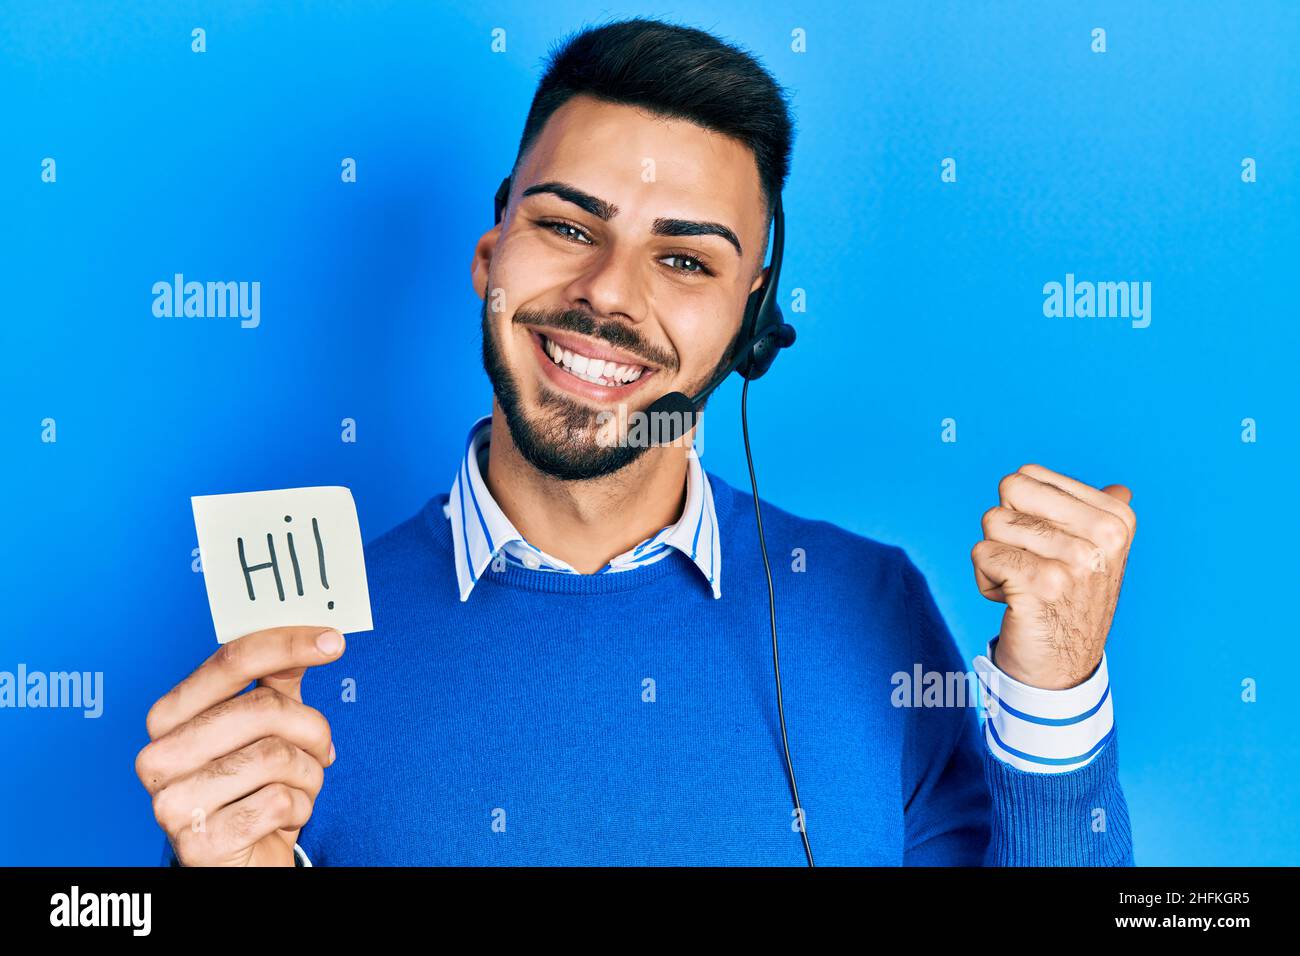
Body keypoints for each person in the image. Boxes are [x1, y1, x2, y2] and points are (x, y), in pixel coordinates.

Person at [136, 17, 1136, 866]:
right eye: (569, 228)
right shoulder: (291, 653)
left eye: (683, 258)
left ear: (751, 324)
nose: (609, 293)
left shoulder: (872, 604)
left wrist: (1055, 697)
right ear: (492, 259)